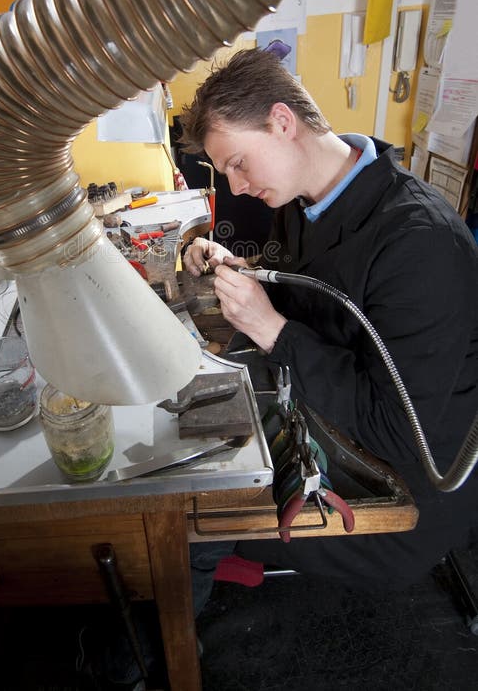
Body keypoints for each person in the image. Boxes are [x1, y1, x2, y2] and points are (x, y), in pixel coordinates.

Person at [180, 47, 478, 590]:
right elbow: (302, 287)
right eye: (226, 172)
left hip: (405, 489)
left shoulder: (421, 244)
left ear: (282, 122)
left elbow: (395, 431)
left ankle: (149, 662)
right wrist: (239, 266)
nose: (236, 186)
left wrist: (271, 328)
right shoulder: (302, 201)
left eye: (238, 163)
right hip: (326, 420)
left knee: (198, 511)